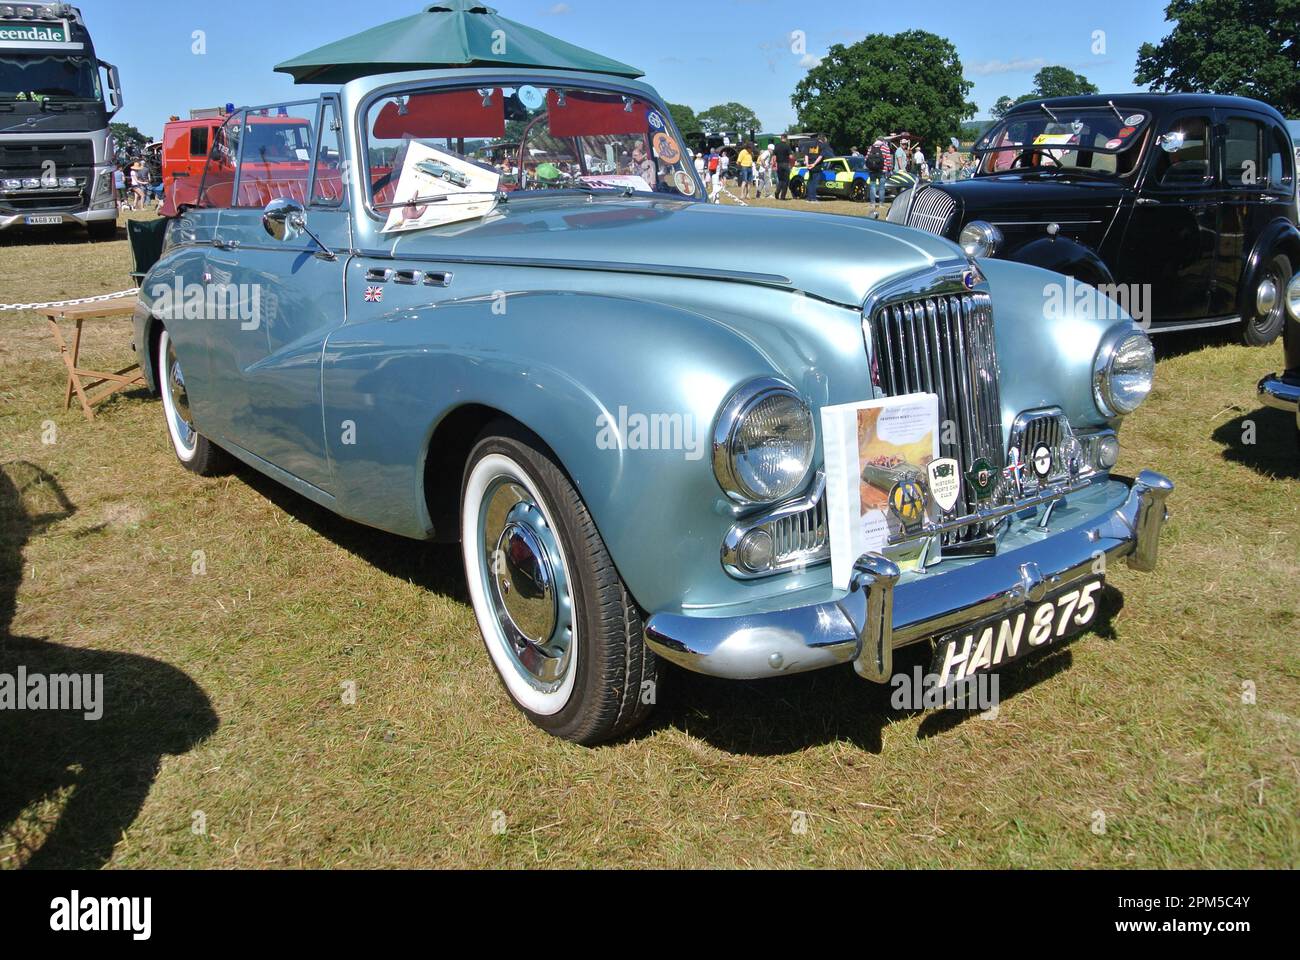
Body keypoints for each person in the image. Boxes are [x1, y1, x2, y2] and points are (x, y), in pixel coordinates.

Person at [804, 136, 827, 202]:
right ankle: (813, 198)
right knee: (814, 182)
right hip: (816, 166)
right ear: (822, 140)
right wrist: (814, 164)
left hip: (809, 166)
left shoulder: (810, 144)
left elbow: (806, 155)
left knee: (810, 182)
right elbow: (820, 156)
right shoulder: (822, 146)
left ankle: (808, 198)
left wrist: (807, 164)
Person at [865, 140, 886, 206]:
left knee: (872, 186)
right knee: (881, 188)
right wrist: (888, 169)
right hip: (882, 171)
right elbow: (888, 159)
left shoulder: (870, 149)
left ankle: (872, 203)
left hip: (872, 171)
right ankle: (881, 204)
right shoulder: (885, 149)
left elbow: (866, 159)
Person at [773, 134, 793, 201]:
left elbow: (774, 156)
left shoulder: (777, 145)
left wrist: (774, 164)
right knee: (786, 181)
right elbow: (790, 157)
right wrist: (792, 157)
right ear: (786, 138)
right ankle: (782, 197)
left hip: (779, 164)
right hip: (786, 164)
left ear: (781, 138)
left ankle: (777, 192)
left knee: (780, 180)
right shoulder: (787, 146)